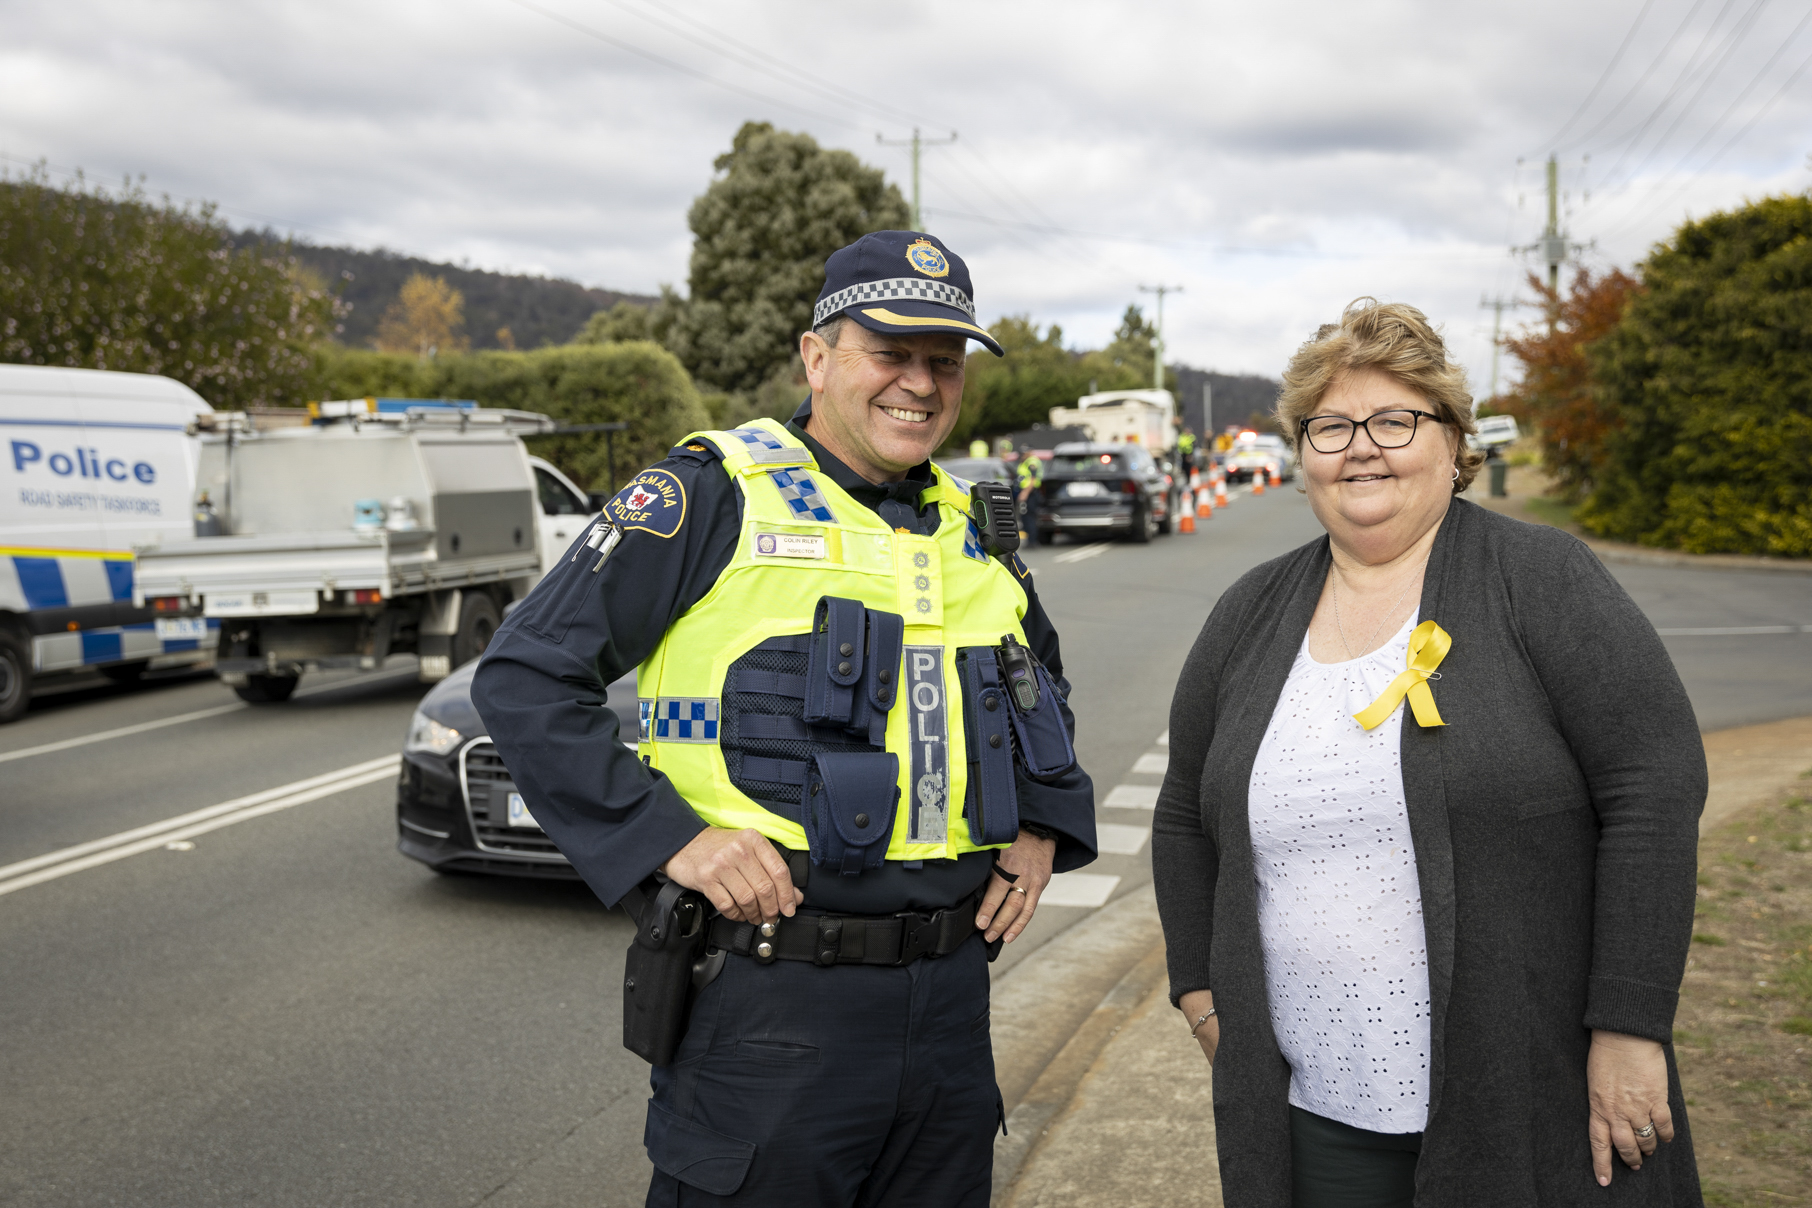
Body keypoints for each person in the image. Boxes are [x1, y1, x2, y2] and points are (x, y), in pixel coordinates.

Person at [472, 229, 1098, 1207]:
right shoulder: (709, 492)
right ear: (818, 356)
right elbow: (524, 675)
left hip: (948, 1013)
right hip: (768, 1009)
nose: (922, 384)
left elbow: (1036, 679)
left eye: (945, 360)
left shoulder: (973, 523)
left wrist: (1043, 819)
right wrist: (667, 838)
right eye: (891, 353)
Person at [1151, 298, 1704, 1207]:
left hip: (1531, 1095)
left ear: (1454, 442)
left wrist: (1630, 1026)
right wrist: (1201, 995)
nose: (1360, 446)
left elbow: (1654, 788)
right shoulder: (1249, 612)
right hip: (1313, 1112)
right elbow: (1181, 816)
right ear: (1302, 458)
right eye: (1330, 426)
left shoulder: (1543, 580)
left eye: (1395, 420)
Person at [1015, 444, 1044, 548]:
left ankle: (1032, 541)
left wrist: (1025, 493)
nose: (1022, 455)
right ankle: (1030, 540)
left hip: (1030, 493)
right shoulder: (1025, 462)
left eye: (1024, 453)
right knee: (1025, 517)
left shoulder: (1032, 461)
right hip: (1027, 492)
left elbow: (1032, 479)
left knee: (1029, 517)